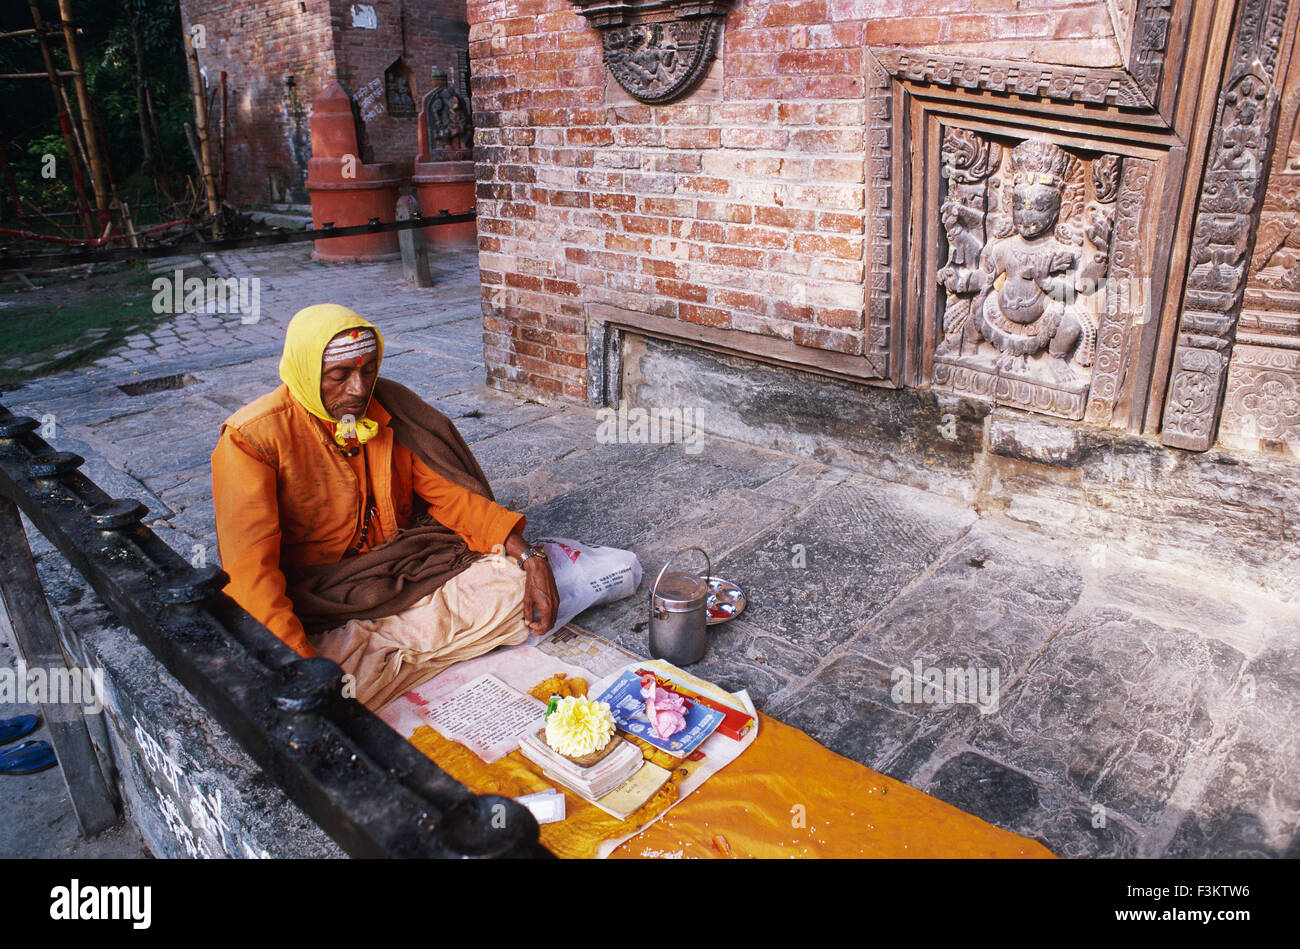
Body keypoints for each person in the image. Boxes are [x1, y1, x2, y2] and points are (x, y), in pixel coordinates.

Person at [210, 304, 559, 708]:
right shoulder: (251, 439)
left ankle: (383, 663)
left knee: (513, 587)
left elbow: (453, 498)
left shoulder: (386, 403)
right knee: (295, 681)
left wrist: (532, 558)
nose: (358, 390)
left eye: (368, 370)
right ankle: (390, 658)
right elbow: (251, 575)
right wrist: (304, 672)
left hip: (400, 574)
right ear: (306, 371)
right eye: (339, 376)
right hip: (317, 600)